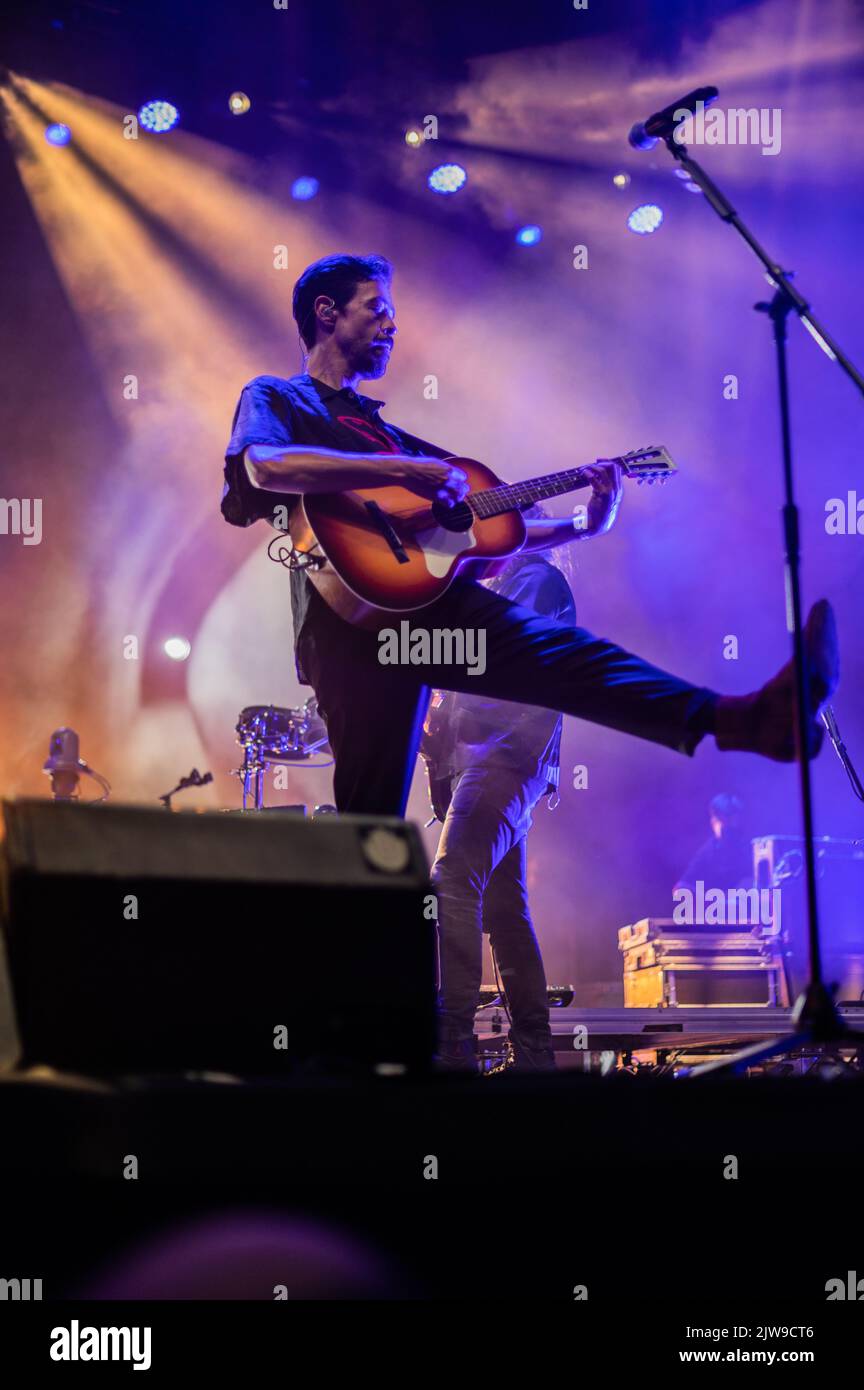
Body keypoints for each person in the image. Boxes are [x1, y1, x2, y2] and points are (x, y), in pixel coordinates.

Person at [221, 252, 839, 1052]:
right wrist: (408, 464)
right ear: (328, 313)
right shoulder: (278, 398)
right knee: (368, 826)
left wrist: (582, 524)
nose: (392, 321)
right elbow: (266, 466)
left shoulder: (383, 426)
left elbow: (476, 529)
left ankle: (746, 718)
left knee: (556, 652)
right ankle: (356, 1038)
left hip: (421, 612)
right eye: (376, 307)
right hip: (348, 630)